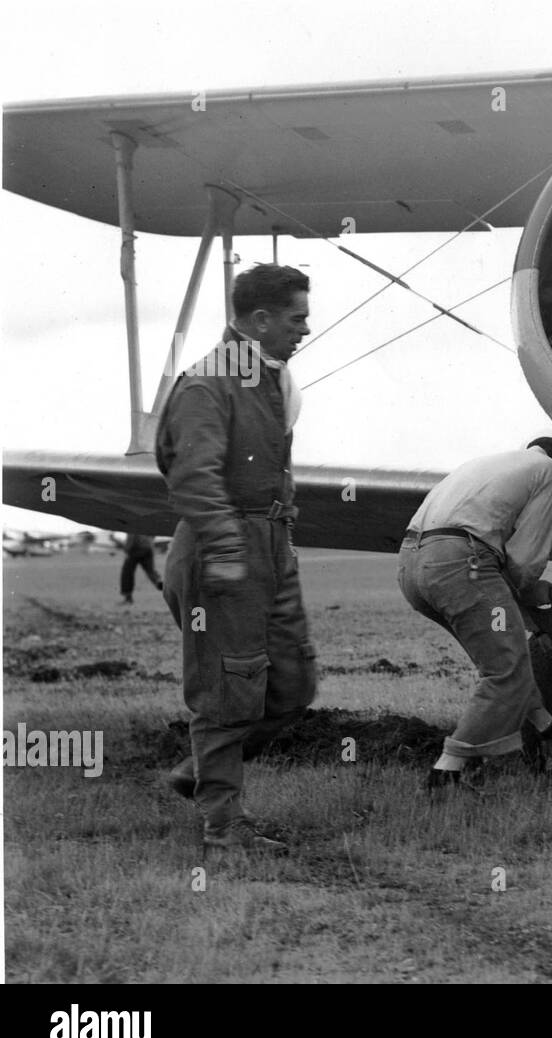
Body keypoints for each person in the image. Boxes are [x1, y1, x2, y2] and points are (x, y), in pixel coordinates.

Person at [156, 264, 317, 852]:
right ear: (260, 319)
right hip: (220, 549)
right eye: (297, 318)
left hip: (270, 544)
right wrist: (227, 550)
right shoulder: (208, 382)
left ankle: (202, 772)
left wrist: (277, 542)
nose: (305, 328)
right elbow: (192, 475)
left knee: (292, 685)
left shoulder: (273, 378)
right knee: (230, 690)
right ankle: (224, 824)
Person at [398, 431, 552, 789]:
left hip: (412, 568)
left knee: (502, 656)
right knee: (505, 670)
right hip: (461, 566)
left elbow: (503, 583)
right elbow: (524, 564)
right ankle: (450, 770)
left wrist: (538, 628)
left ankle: (549, 729)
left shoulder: (487, 464)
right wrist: (547, 627)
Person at [118, 532, 163, 604]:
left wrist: (127, 549)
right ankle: (159, 582)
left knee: (127, 573)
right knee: (151, 571)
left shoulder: (133, 525)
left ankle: (128, 597)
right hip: (148, 547)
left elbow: (132, 535)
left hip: (135, 548)